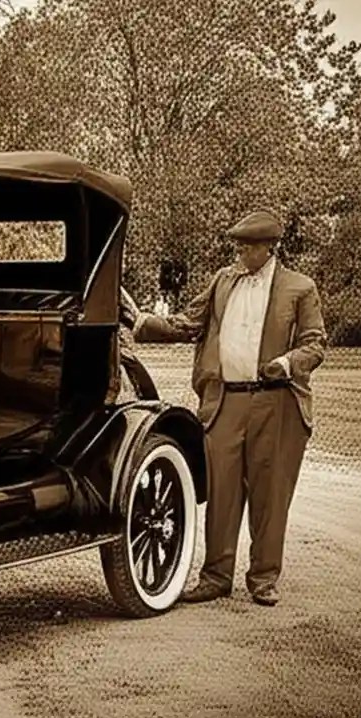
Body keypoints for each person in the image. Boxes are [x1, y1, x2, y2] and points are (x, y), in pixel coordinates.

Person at [130, 210, 327, 606]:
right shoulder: (223, 280)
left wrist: (287, 363)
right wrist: (142, 323)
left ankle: (264, 579)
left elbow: (315, 344)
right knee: (220, 491)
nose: (240, 250)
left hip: (276, 401)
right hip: (225, 401)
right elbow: (190, 323)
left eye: (248, 245)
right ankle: (216, 576)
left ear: (269, 248)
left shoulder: (299, 288)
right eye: (238, 243)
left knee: (270, 494)